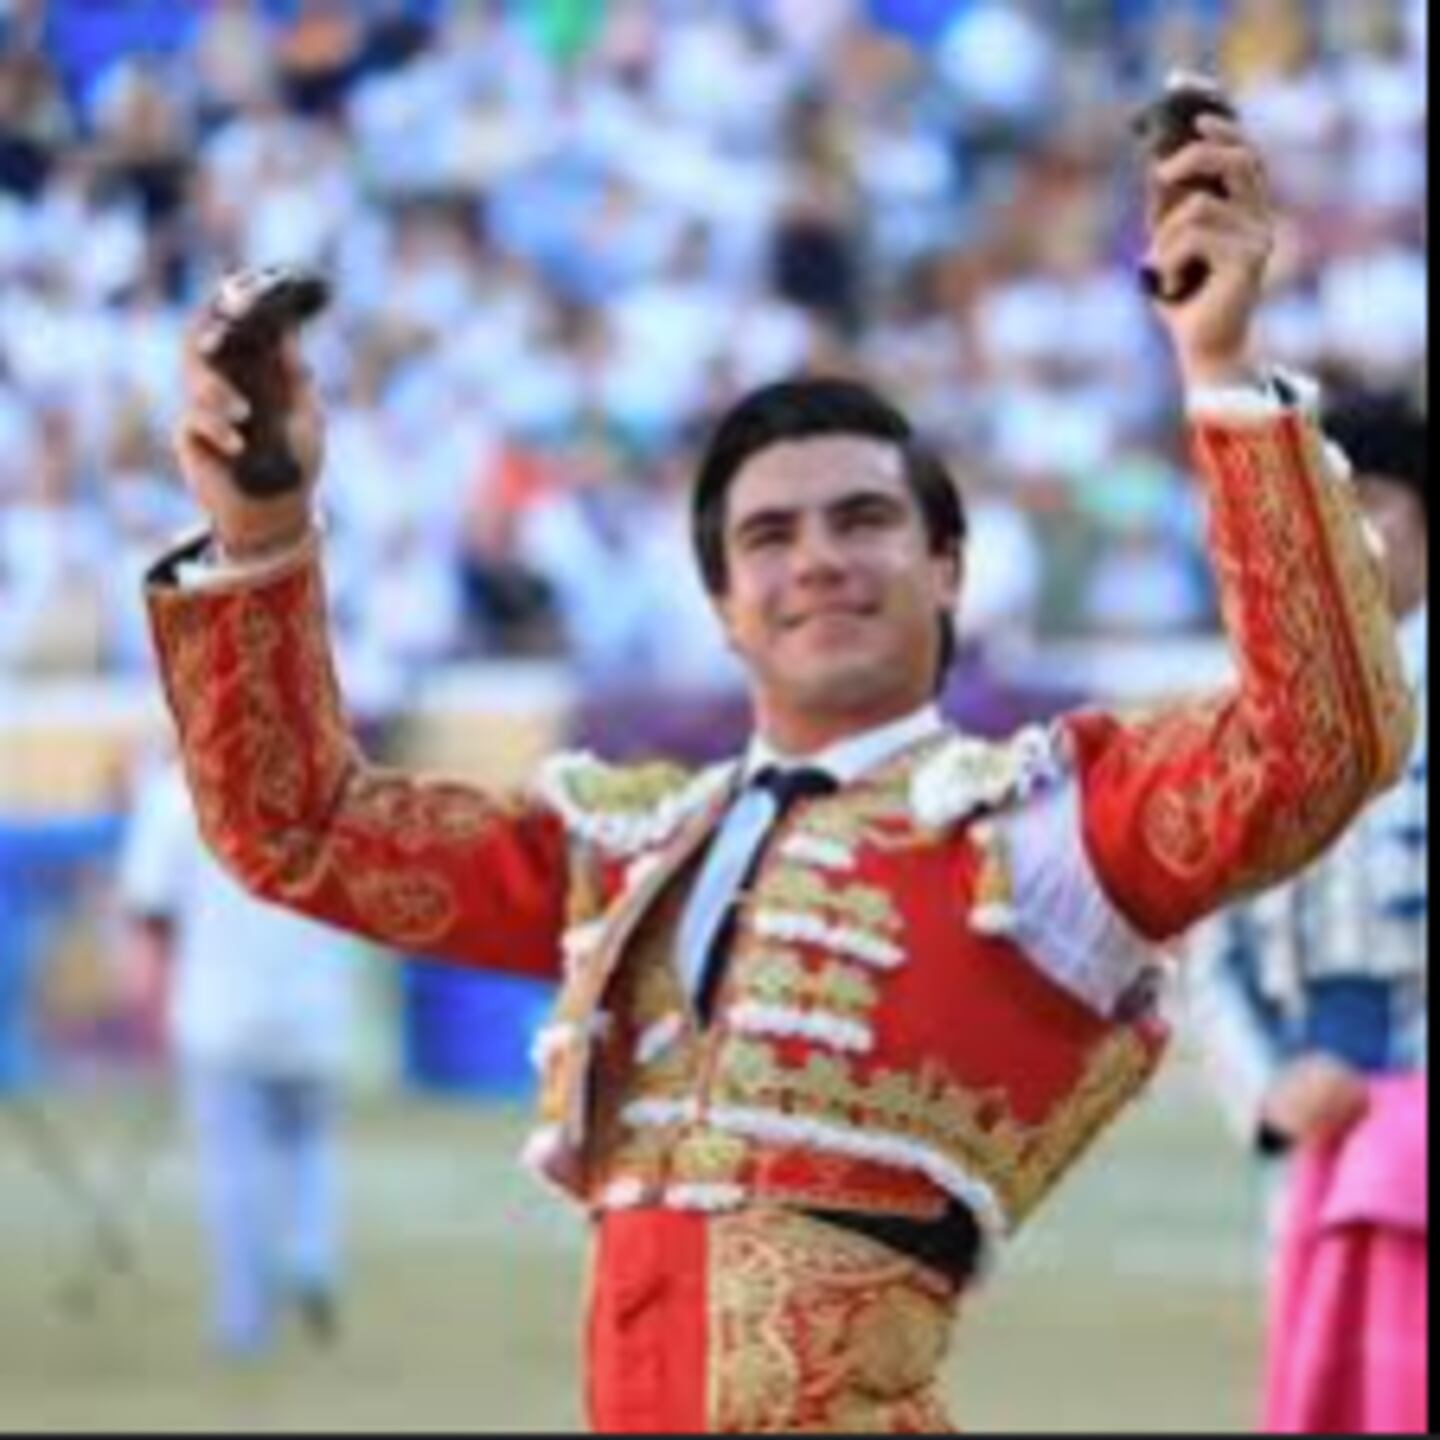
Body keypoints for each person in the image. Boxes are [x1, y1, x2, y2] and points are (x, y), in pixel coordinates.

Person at [143, 105, 1415, 1431]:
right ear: (723, 607)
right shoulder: (628, 858)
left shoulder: (1037, 838)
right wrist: (262, 534)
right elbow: (298, 827)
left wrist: (1220, 372)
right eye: (769, 537)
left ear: (947, 570)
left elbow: (1319, 740)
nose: (817, 560)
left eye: (863, 520)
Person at [1186, 389, 1427, 1435]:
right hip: (1317, 1121)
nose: (1350, 535)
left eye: (1372, 503)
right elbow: (1214, 947)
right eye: (1326, 510)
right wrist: (1270, 1089)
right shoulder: (1258, 707)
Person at [117, 754, 362, 1359]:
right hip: (313, 1006)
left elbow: (150, 912)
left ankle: (244, 1316)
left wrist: (151, 1008)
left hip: (219, 1013)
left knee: (234, 1167)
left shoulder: (173, 798)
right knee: (307, 1146)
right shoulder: (321, 788)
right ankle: (310, 1252)